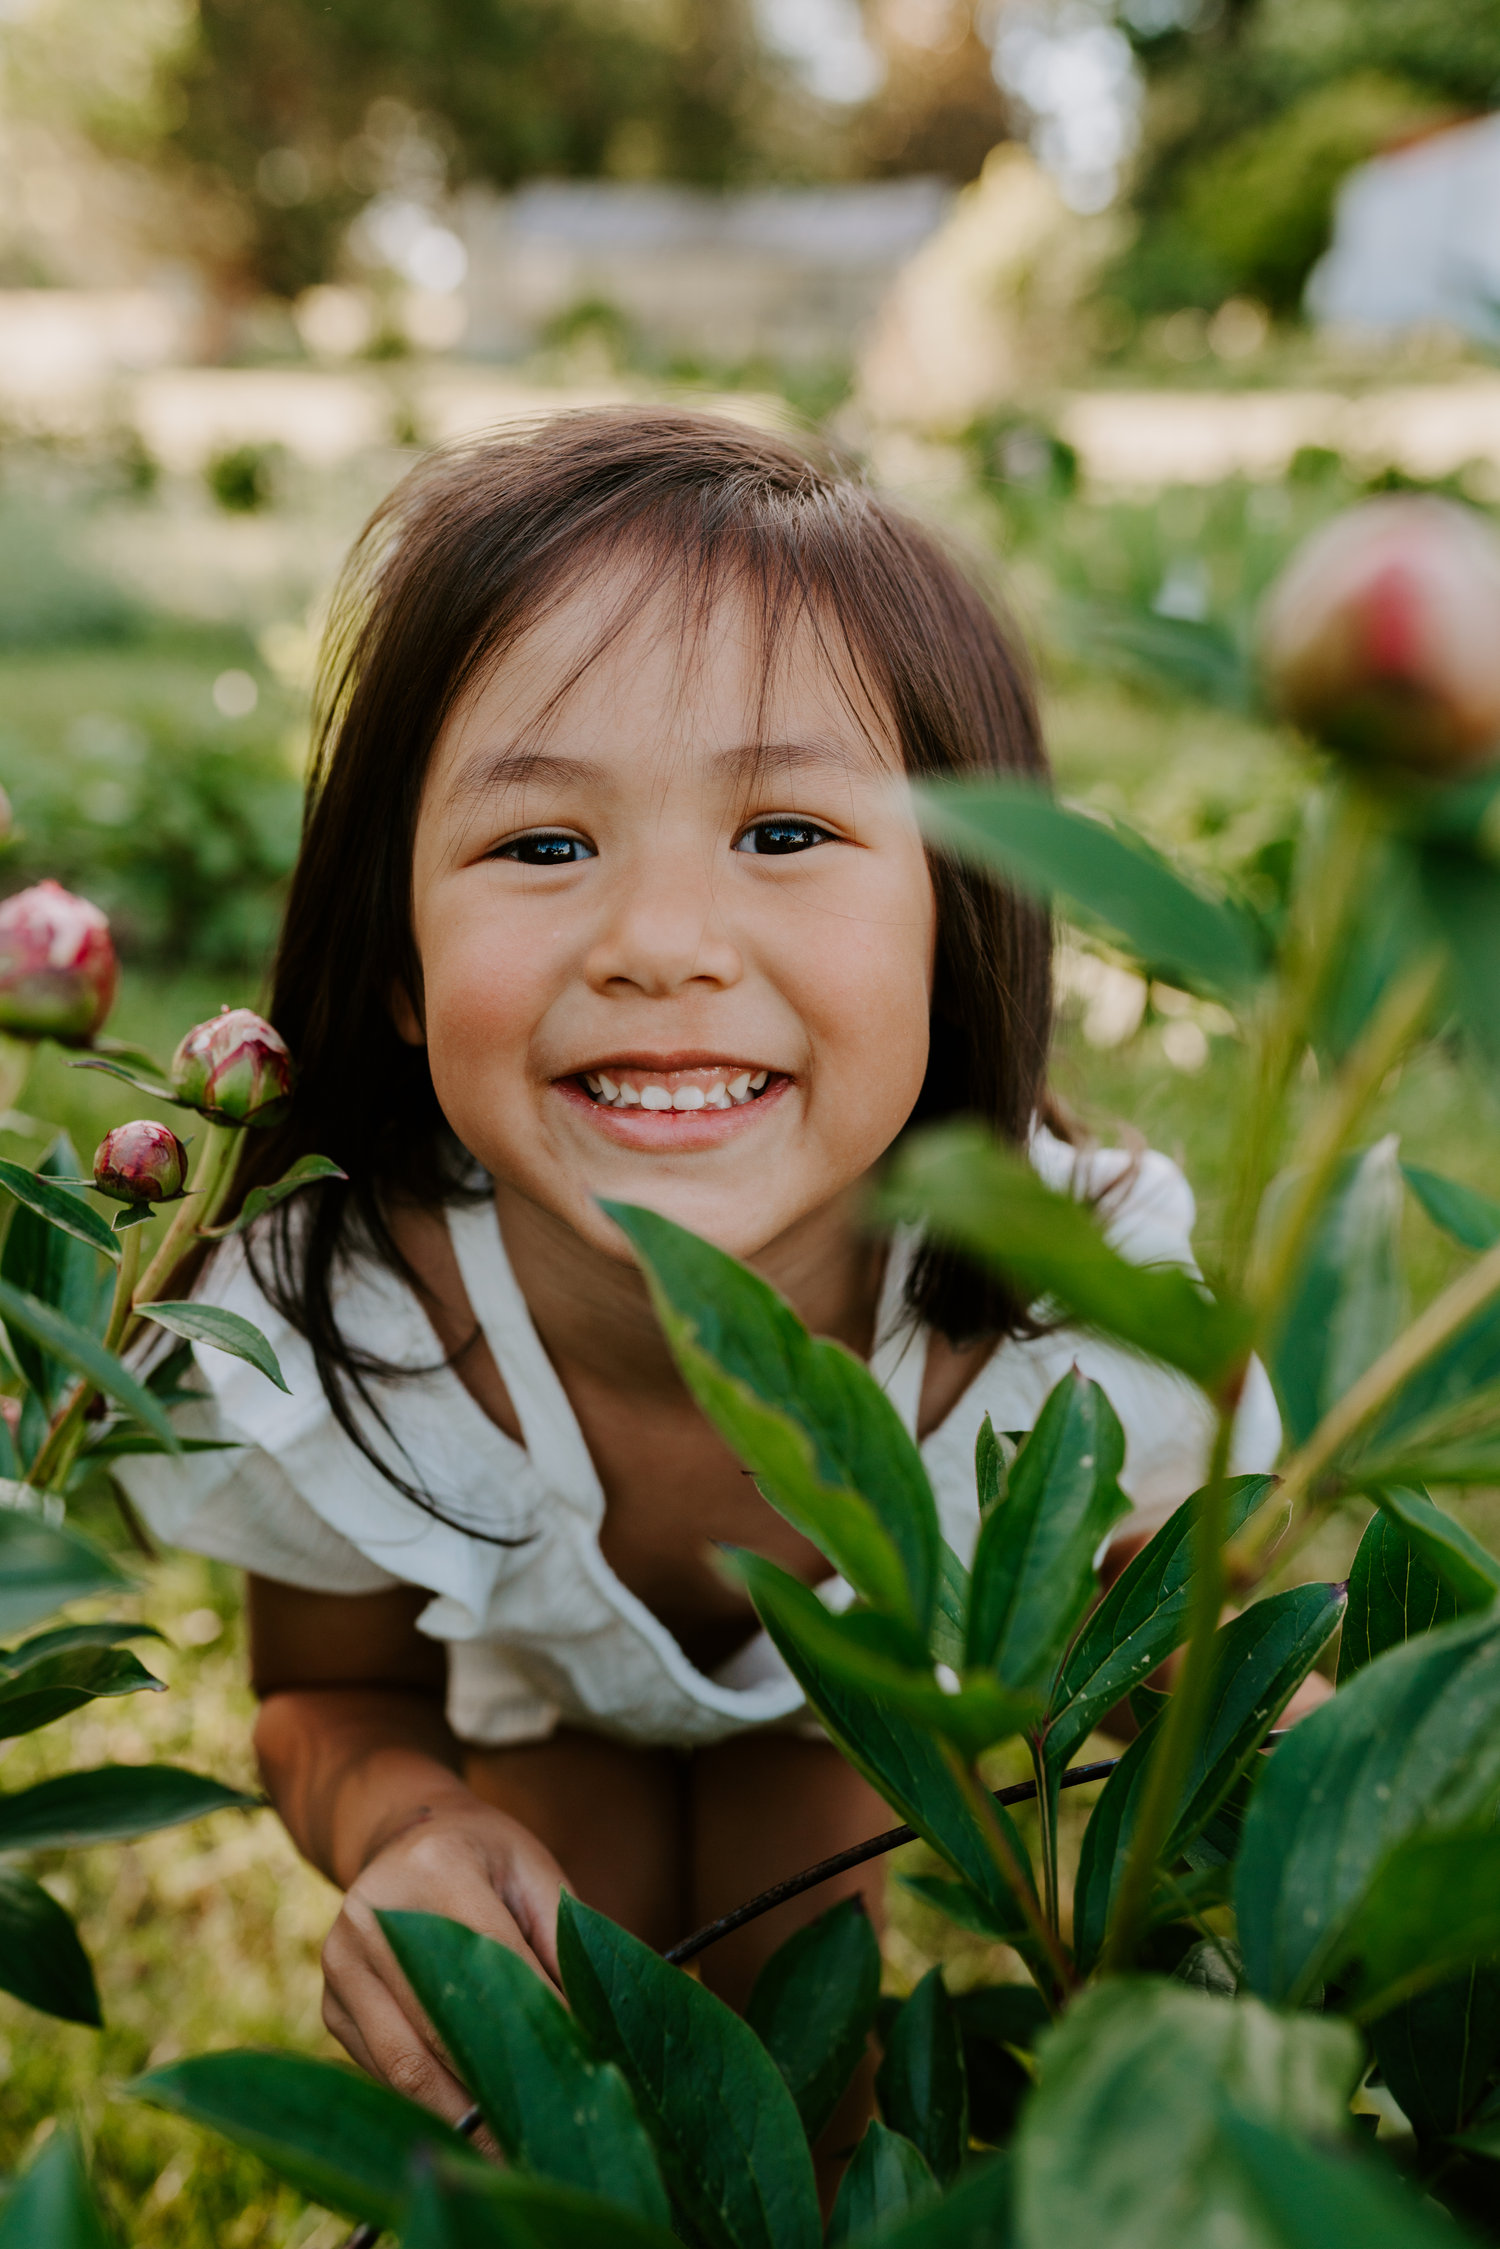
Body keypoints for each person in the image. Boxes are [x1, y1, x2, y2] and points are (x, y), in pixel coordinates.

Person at [120, 408, 1277, 2137]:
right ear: (400, 965)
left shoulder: (1071, 1306)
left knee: (802, 1998)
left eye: (788, 833)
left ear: (959, 925)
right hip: (548, 1716)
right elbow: (331, 1690)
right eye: (544, 844)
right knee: (539, 2024)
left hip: (871, 1738)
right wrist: (400, 1828)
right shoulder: (352, 1317)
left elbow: (1209, 1676)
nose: (661, 944)